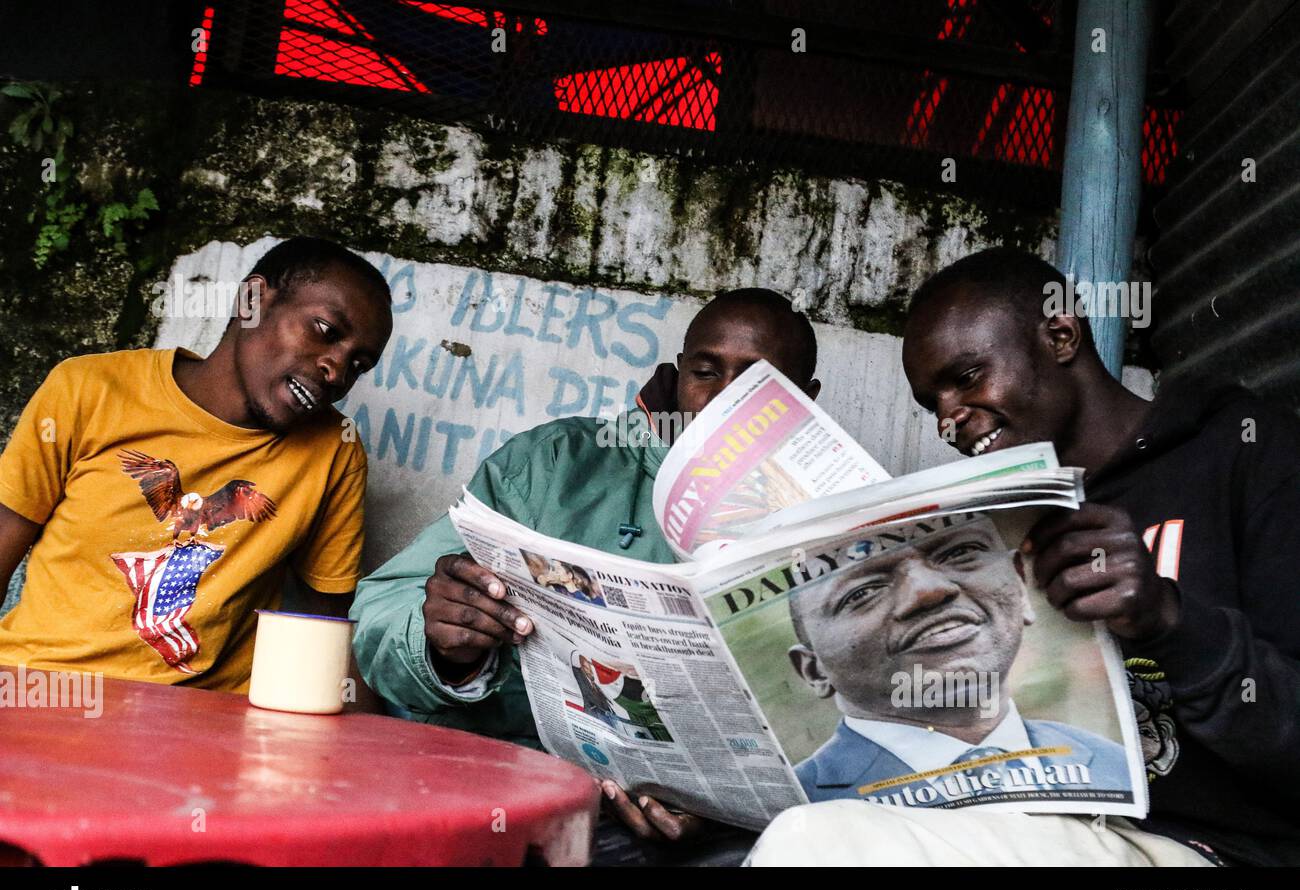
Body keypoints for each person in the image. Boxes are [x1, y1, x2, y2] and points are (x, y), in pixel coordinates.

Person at [750, 246, 1299, 866]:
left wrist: (1170, 619)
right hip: (1035, 831)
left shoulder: (1245, 454)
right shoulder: (992, 518)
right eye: (933, 405)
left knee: (818, 848)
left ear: (1061, 334)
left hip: (1212, 866)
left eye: (966, 379)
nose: (950, 421)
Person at [352, 288, 820, 850]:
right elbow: (378, 618)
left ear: (805, 398)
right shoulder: (555, 465)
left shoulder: (829, 518)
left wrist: (720, 804)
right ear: (677, 377)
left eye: (753, 385)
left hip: (682, 829)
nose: (720, 401)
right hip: (509, 789)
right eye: (705, 372)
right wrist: (444, 645)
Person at [0, 236, 393, 692]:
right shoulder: (88, 390)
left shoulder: (335, 452)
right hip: (49, 691)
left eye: (359, 364)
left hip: (204, 727)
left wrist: (379, 750)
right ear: (252, 300)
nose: (336, 370)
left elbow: (325, 631)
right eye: (325, 331)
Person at [787, 514, 1128, 803]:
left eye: (960, 552)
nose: (929, 590)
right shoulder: (795, 812)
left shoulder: (1116, 766)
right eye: (862, 592)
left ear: (1020, 589)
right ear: (814, 670)